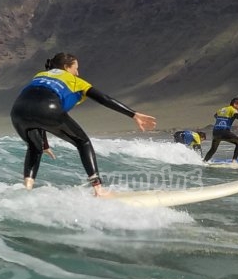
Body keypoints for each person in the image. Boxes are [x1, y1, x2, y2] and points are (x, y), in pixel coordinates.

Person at [10, 52, 157, 195]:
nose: (78, 73)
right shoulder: (76, 81)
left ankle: (27, 189)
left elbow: (35, 106)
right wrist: (133, 114)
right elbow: (104, 99)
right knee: (83, 142)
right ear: (67, 67)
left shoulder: (40, 75)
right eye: (76, 68)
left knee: (35, 148)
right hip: (48, 110)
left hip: (18, 112)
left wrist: (44, 145)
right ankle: (98, 189)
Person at [202, 97, 238, 162]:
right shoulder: (232, 109)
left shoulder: (222, 109)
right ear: (235, 104)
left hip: (215, 132)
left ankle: (204, 161)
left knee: (213, 149)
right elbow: (236, 115)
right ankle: (234, 161)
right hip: (224, 132)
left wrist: (222, 119)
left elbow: (215, 115)